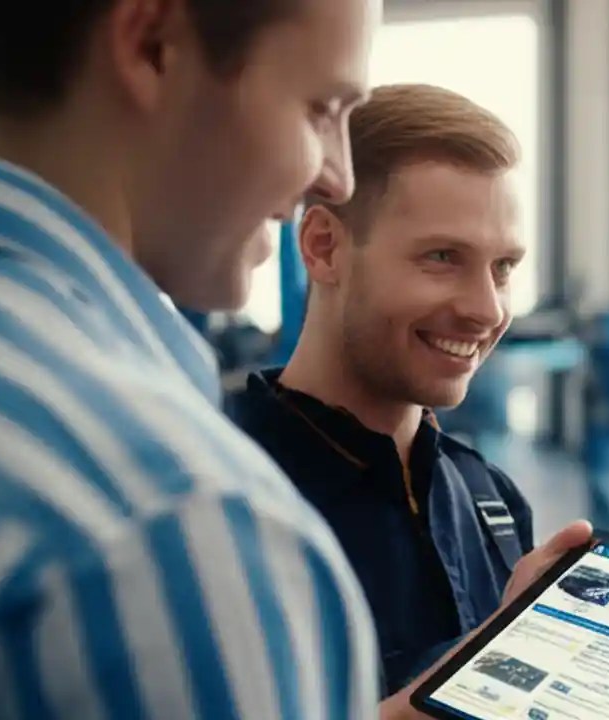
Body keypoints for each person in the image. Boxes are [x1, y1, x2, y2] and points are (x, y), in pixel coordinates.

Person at [0, 1, 595, 717]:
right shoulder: (181, 508)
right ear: (153, 46)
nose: (332, 174)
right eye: (319, 108)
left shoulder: (489, 498)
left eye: (504, 268)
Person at [228, 83, 536, 694]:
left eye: (503, 268)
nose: (486, 309)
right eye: (443, 256)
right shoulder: (219, 495)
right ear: (324, 247)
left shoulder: (491, 499)